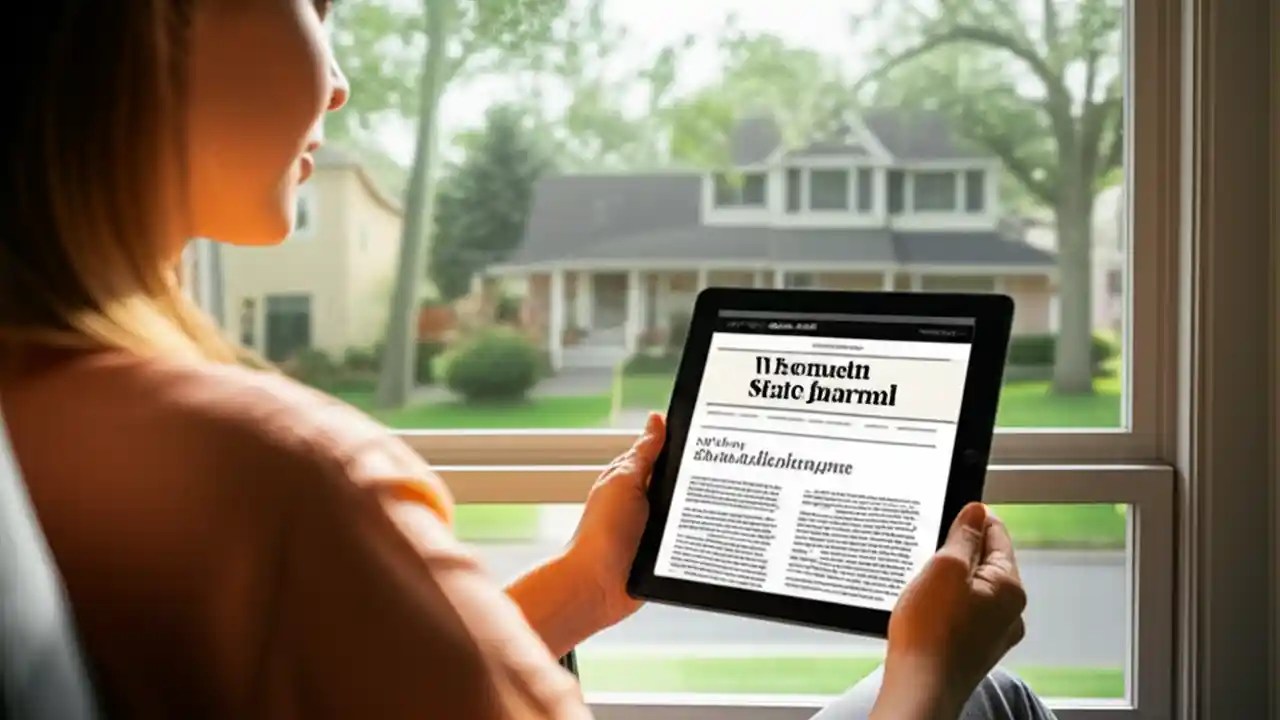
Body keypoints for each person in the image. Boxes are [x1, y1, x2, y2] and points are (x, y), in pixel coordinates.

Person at [0, 1, 1056, 718]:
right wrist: (925, 681)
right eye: (317, 9)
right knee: (993, 698)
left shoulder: (38, 412)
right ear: (152, 25)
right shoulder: (278, 473)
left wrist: (582, 589)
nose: (340, 84)